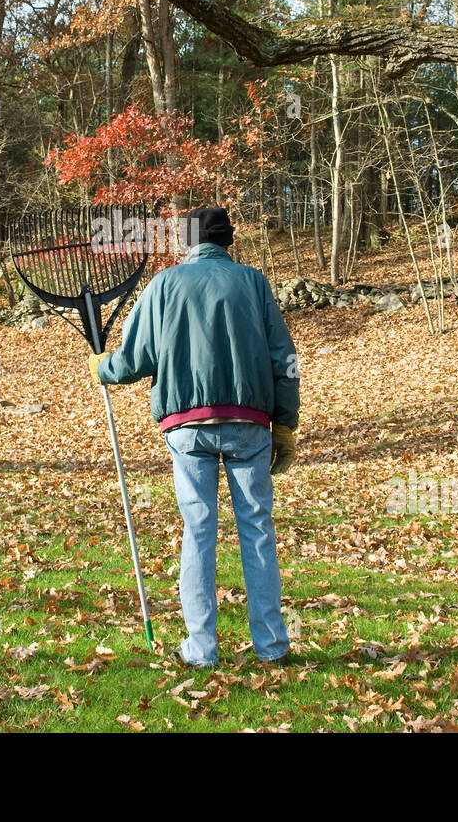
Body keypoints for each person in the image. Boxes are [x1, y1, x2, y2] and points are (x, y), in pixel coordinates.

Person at [89, 206, 300, 666]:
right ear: (230, 242)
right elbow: (284, 357)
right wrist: (284, 422)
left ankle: (201, 650)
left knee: (199, 530)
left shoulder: (163, 285)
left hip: (186, 426)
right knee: (258, 529)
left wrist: (102, 367)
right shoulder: (253, 282)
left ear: (189, 242)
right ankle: (271, 646)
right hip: (250, 423)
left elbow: (135, 359)